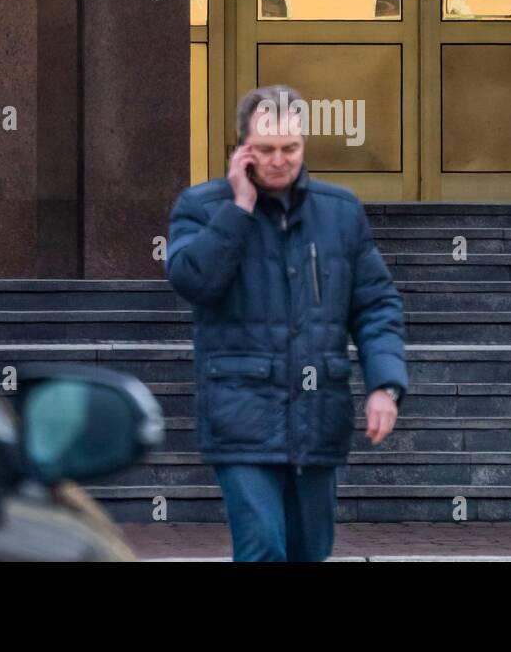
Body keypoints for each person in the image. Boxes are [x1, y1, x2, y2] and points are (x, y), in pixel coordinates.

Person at [165, 84, 408, 561]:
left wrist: (385, 384)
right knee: (262, 547)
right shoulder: (201, 207)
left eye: (290, 148)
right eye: (266, 149)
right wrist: (238, 209)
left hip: (318, 415)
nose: (279, 160)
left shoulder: (340, 212)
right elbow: (193, 281)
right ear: (243, 149)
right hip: (241, 413)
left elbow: (376, 304)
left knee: (309, 552)